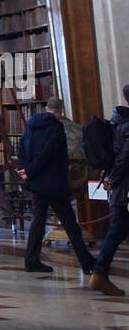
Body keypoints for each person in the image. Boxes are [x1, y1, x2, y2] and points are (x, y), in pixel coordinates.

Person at [17, 96, 96, 276]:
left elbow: (21, 148)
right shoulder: (56, 127)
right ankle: (87, 262)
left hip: (36, 183)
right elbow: (49, 153)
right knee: (70, 225)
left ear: (46, 108)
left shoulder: (31, 125)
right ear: (61, 110)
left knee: (38, 222)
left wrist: (25, 169)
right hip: (52, 182)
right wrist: (30, 170)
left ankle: (31, 260)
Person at [89, 85, 129, 297]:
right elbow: (125, 157)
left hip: (120, 188)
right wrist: (113, 181)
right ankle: (100, 273)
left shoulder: (118, 124)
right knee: (116, 231)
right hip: (125, 189)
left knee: (118, 230)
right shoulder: (127, 126)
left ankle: (100, 273)